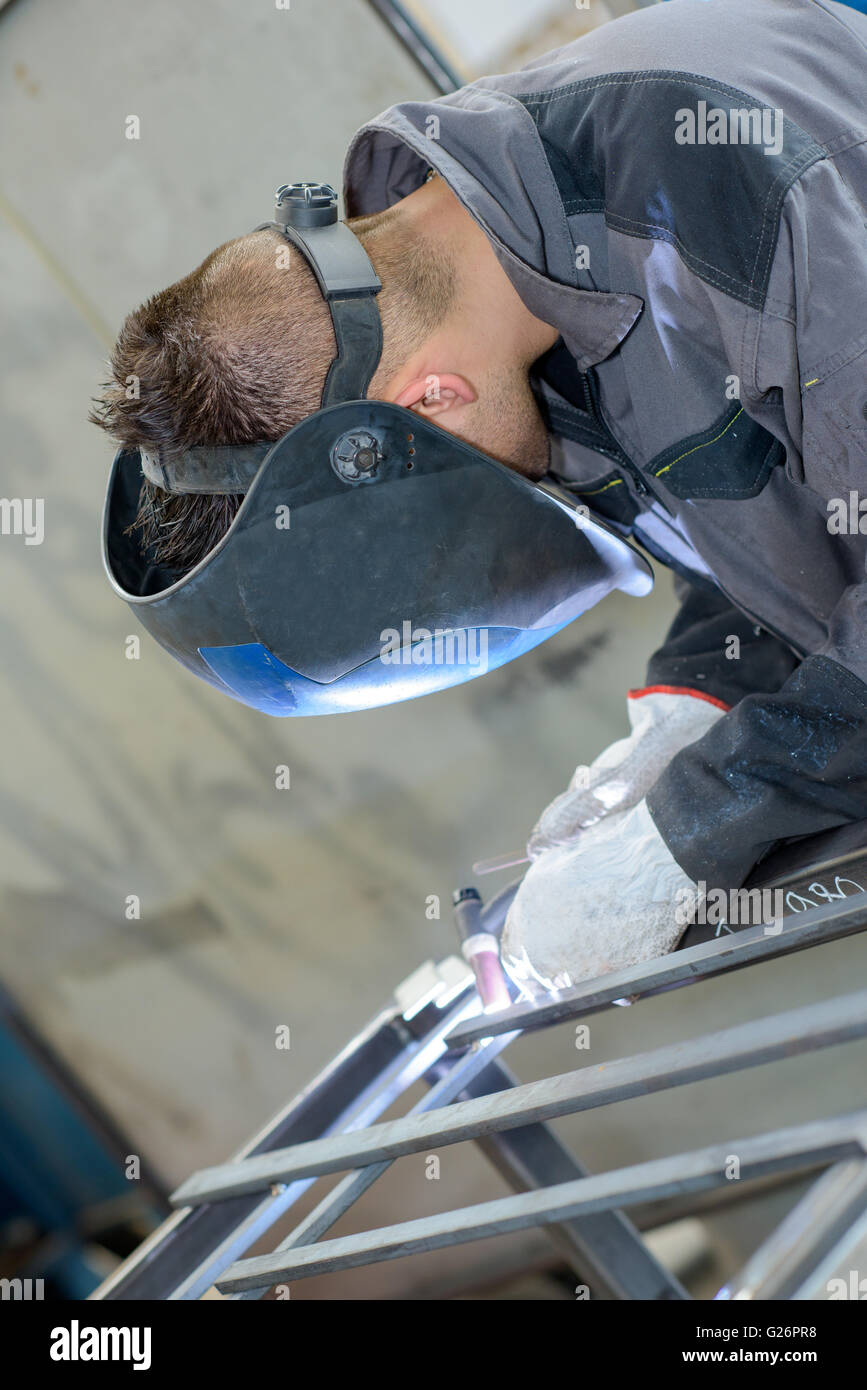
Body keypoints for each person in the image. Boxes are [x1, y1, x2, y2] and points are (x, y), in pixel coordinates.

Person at [92, 0, 867, 997]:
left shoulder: (734, 184)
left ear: (430, 400)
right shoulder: (489, 273)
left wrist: (699, 826)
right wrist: (693, 701)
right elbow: (780, 504)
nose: (517, 490)